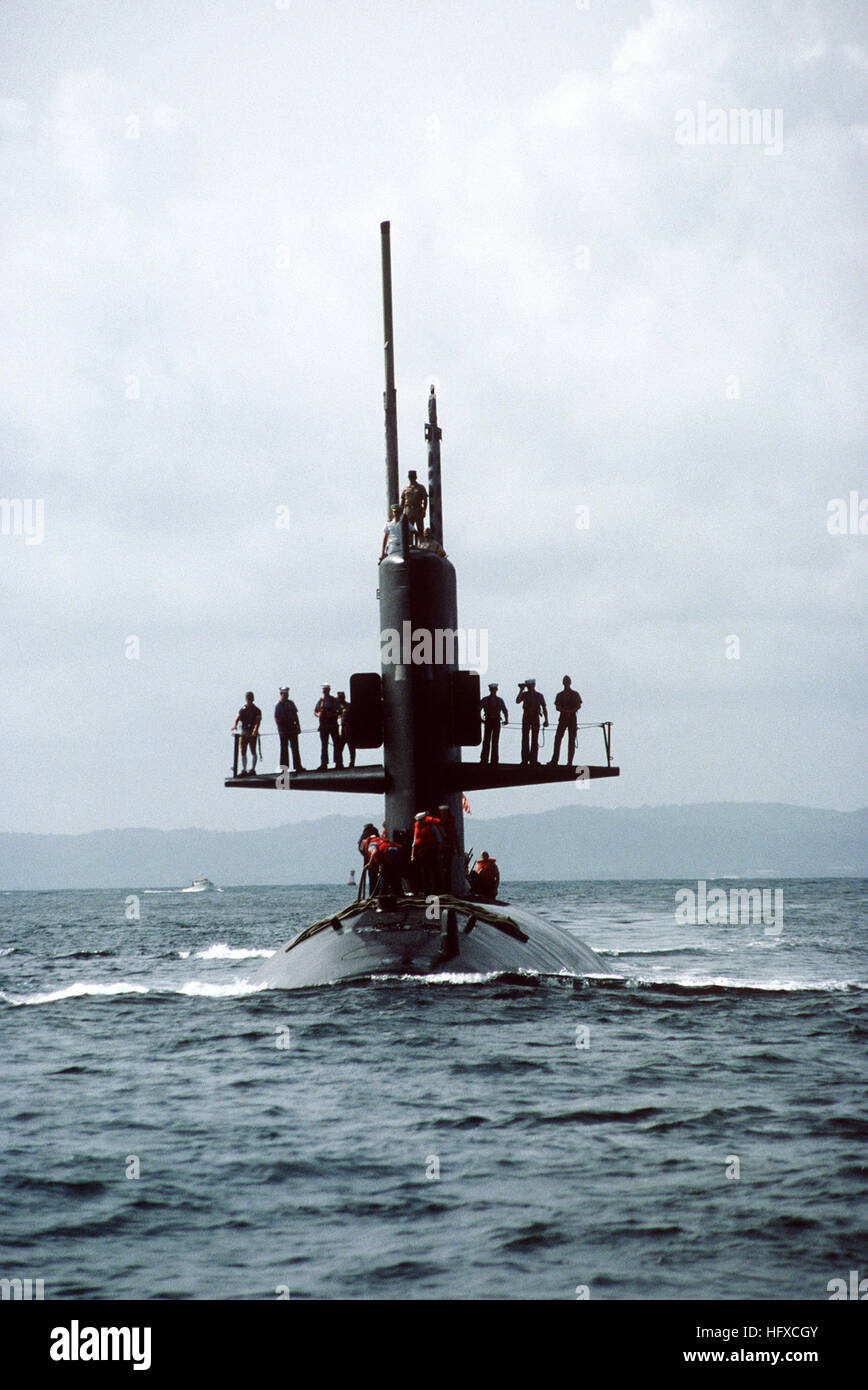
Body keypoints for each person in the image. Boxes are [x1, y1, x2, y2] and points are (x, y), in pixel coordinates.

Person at [550, 675, 582, 765]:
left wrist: (570, 712)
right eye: (565, 681)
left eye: (567, 681)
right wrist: (566, 711)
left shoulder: (575, 694)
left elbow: (578, 705)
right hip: (563, 718)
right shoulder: (560, 695)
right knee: (558, 738)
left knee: (571, 740)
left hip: (572, 719)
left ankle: (569, 762)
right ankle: (555, 760)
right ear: (563, 683)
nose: (566, 683)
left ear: (570, 682)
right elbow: (557, 707)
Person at [516, 679, 548, 766]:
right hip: (526, 717)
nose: (529, 687)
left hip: (535, 717)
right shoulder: (525, 694)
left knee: (534, 739)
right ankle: (525, 759)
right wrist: (521, 690)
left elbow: (544, 707)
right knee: (525, 739)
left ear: (534, 685)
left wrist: (546, 720)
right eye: (528, 686)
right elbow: (517, 701)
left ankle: (533, 759)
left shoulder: (539, 695)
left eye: (530, 686)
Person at [274, 686, 304, 773]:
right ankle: (284, 768)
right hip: (284, 728)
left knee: (295, 747)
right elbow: (276, 717)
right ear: (281, 694)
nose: (286, 695)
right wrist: (280, 729)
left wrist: (298, 726)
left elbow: (295, 715)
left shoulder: (291, 703)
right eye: (285, 694)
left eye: (287, 693)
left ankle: (298, 766)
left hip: (292, 726)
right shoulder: (278, 705)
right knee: (284, 748)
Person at [411, 810, 442, 894]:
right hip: (421, 853)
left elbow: (439, 840)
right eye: (418, 821)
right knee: (425, 872)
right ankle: (426, 891)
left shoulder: (432, 827)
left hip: (431, 852)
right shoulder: (416, 828)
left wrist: (438, 853)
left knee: (434, 871)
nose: (419, 822)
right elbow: (414, 843)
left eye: (420, 820)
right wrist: (412, 855)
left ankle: (437, 890)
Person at [232, 691, 262, 777]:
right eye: (248, 699)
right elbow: (237, 718)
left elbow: (258, 721)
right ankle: (244, 769)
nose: (249, 700)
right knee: (243, 750)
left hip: (252, 732)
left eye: (250, 698)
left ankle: (253, 769)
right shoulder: (243, 709)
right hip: (244, 731)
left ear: (253, 699)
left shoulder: (257, 710)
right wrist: (235, 725)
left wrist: (255, 730)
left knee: (253, 750)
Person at [480, 682, 508, 764]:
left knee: (491, 741)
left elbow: (505, 711)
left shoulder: (486, 699)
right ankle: (491, 760)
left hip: (493, 722)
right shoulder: (498, 700)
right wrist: (506, 720)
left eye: (494, 689)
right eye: (493, 689)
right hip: (491, 721)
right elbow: (505, 711)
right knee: (489, 741)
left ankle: (487, 759)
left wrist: (480, 719)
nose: (493, 691)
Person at [314, 685, 341, 769]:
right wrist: (319, 714)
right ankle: (324, 763)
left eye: (326, 689)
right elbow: (315, 711)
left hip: (333, 724)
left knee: (336, 744)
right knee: (324, 745)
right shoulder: (320, 701)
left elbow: (339, 711)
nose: (325, 691)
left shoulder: (334, 700)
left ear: (329, 690)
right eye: (324, 690)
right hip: (323, 726)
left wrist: (332, 714)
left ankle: (338, 763)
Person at [400, 470, 428, 544]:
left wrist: (424, 510)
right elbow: (402, 500)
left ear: (416, 477)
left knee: (420, 529)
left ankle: (421, 544)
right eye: (410, 477)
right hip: (408, 511)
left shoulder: (421, 488)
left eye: (413, 477)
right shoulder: (406, 489)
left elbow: (425, 499)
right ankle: (410, 544)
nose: (411, 478)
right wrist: (401, 512)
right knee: (409, 529)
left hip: (418, 510)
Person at [357, 823, 379, 896]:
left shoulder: (365, 835)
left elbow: (361, 848)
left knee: (372, 877)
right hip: (377, 858)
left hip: (369, 858)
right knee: (376, 877)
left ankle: (372, 894)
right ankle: (376, 893)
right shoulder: (376, 833)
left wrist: (366, 856)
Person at [336, 690, 355, 768]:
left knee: (351, 746)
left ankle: (352, 762)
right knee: (339, 747)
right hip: (341, 728)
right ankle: (339, 763)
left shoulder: (349, 706)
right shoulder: (337, 707)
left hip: (349, 727)